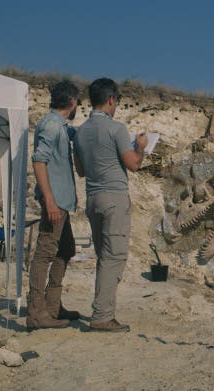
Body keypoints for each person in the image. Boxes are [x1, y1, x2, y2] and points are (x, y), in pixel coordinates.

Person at [74, 78, 147, 333]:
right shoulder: (116, 129)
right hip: (114, 198)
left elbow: (81, 170)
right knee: (113, 256)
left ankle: (103, 311)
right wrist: (140, 146)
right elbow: (134, 164)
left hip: (92, 198)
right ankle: (102, 316)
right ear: (111, 100)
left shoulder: (80, 131)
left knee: (104, 257)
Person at [26, 80, 82, 330]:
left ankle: (53, 306)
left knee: (66, 249)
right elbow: (39, 161)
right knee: (45, 253)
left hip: (62, 202)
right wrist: (49, 199)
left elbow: (74, 134)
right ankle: (37, 313)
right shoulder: (50, 125)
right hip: (55, 201)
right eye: (78, 102)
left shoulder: (59, 126)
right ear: (71, 102)